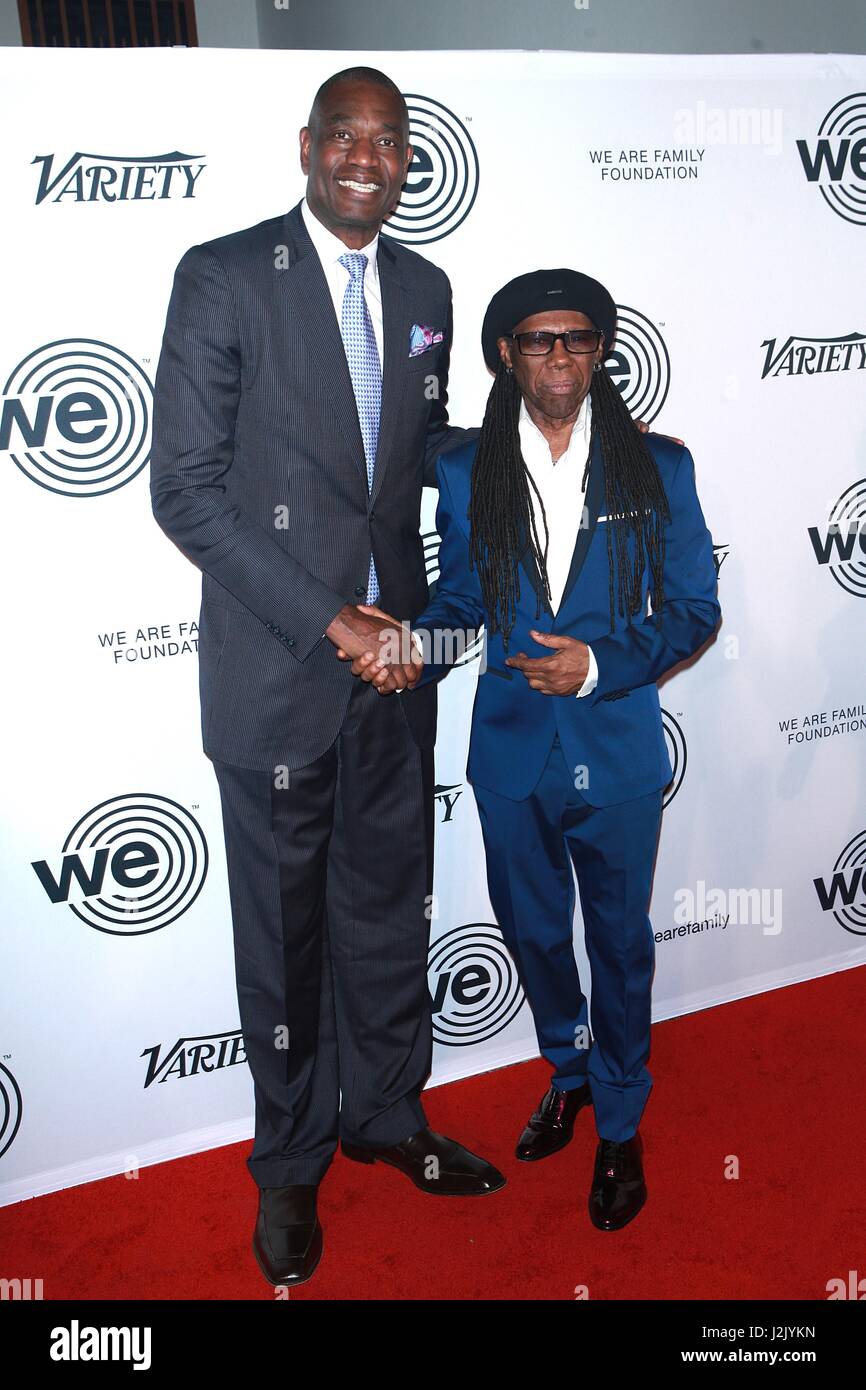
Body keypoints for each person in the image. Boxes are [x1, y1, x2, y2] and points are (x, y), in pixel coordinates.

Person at [149, 66, 505, 1290]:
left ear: (412, 161)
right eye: (343, 136)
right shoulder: (226, 274)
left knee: (385, 905)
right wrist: (330, 621)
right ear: (308, 148)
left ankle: (388, 1116)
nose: (365, 157)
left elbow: (405, 457)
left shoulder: (425, 288)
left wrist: (543, 446)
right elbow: (184, 489)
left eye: (386, 141)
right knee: (286, 936)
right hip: (279, 673)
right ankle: (291, 1163)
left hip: (397, 671)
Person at [348, 268, 721, 1231]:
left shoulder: (658, 468)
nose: (561, 355)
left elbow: (693, 612)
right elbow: (466, 603)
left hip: (620, 752)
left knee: (623, 945)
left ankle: (622, 1120)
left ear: (603, 351)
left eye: (579, 338)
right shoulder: (471, 472)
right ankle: (568, 1070)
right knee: (537, 938)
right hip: (511, 755)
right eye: (538, 339)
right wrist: (412, 650)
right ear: (506, 356)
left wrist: (597, 666)